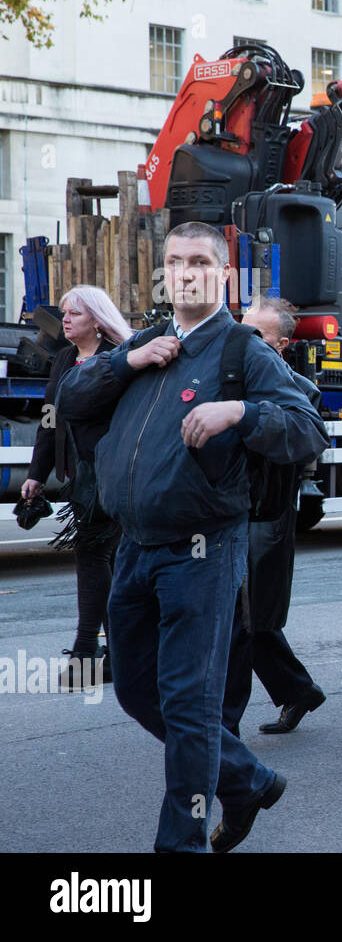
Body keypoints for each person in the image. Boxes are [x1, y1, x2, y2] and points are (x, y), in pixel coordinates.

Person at [57, 221, 328, 852]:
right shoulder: (148, 344)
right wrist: (126, 358)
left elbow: (307, 427)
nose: (186, 272)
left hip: (202, 550)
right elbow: (71, 399)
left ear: (224, 275)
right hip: (134, 547)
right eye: (175, 261)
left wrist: (239, 412)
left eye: (201, 261)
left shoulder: (242, 351)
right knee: (134, 690)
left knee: (188, 703)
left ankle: (181, 843)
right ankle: (248, 779)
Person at [221, 297, 327, 736]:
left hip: (266, 515)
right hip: (234, 512)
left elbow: (293, 448)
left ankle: (225, 724)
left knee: (247, 620)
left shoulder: (299, 390)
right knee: (242, 619)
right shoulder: (235, 376)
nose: (247, 340)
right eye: (243, 329)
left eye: (259, 334)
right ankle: (297, 690)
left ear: (282, 344)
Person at [23, 286, 132, 689]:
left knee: (93, 556)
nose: (65, 320)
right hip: (79, 478)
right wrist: (37, 473)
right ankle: (119, 651)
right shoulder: (66, 359)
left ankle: (89, 650)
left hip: (113, 476)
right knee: (111, 561)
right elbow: (50, 418)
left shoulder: (118, 360)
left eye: (75, 314)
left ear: (98, 321)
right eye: (64, 313)